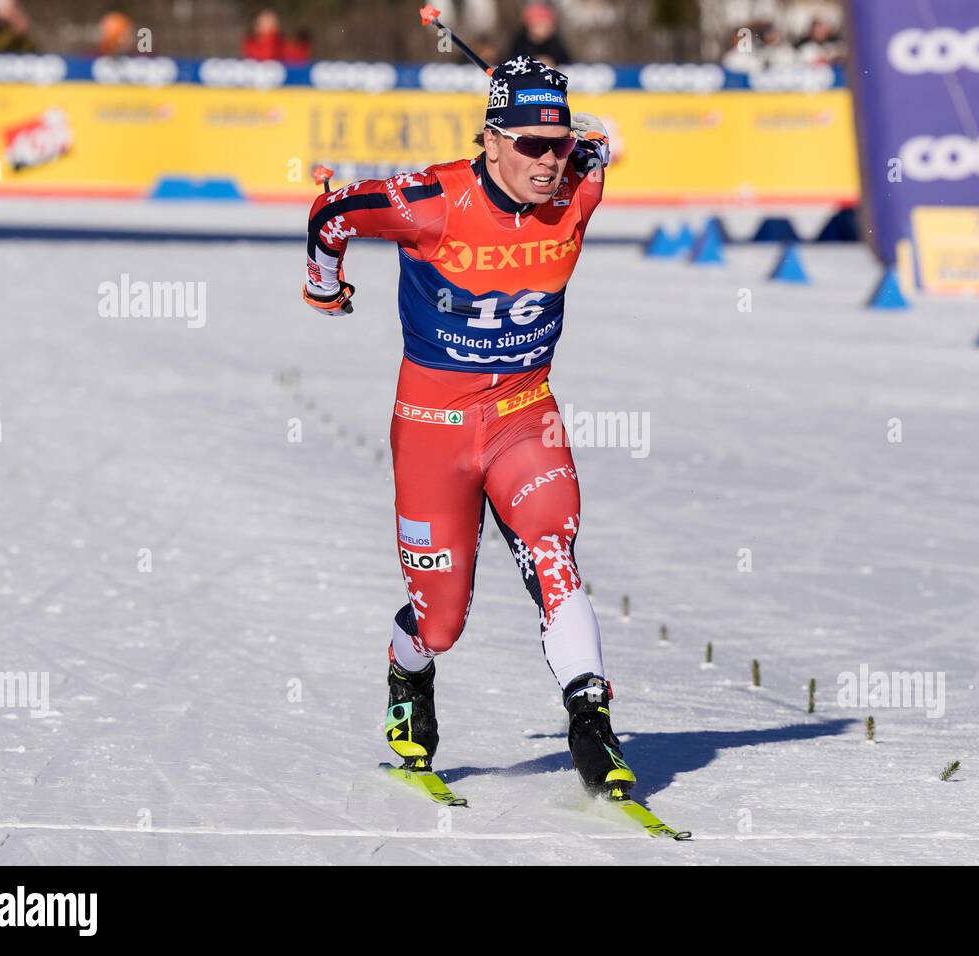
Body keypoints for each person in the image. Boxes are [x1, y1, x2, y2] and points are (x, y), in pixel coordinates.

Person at [300, 57, 631, 797]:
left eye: (558, 144)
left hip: (524, 414)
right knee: (440, 622)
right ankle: (408, 672)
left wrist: (594, 144)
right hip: (433, 426)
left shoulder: (582, 183)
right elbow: (331, 214)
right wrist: (325, 285)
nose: (548, 163)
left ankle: (590, 717)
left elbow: (599, 149)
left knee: (553, 549)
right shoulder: (429, 202)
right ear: (488, 140)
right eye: (528, 145)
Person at [506, 4, 572, 67]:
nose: (543, 30)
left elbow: (566, 62)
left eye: (547, 26)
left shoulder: (555, 42)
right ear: (529, 26)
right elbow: (511, 61)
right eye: (539, 25)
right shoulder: (521, 41)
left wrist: (553, 63)